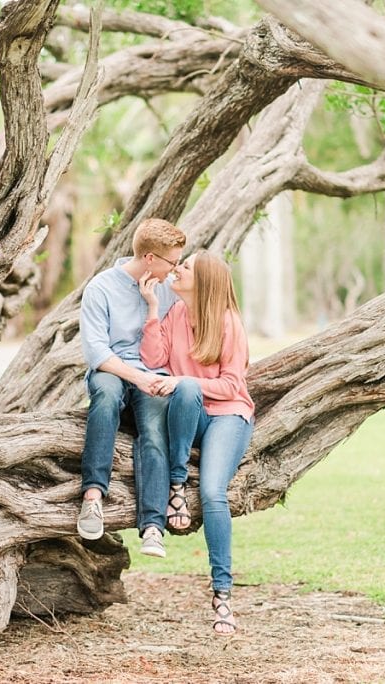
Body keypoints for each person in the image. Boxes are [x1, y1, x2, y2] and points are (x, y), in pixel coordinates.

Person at [138, 250, 255, 635]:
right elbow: (153, 358)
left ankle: (222, 594)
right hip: (191, 413)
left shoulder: (227, 322)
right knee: (185, 392)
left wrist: (183, 382)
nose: (178, 268)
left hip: (227, 415)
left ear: (202, 281)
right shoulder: (175, 314)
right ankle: (175, 484)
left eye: (185, 266)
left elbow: (231, 385)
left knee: (212, 493)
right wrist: (153, 309)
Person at [76, 218, 186, 559]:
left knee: (154, 428)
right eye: (172, 262)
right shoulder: (101, 288)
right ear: (150, 258)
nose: (176, 269)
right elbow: (97, 353)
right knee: (107, 394)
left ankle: (153, 525)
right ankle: (92, 498)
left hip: (152, 377)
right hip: (113, 372)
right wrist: (137, 378)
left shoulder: (169, 290)